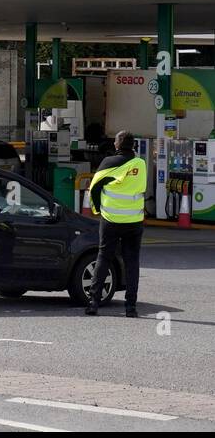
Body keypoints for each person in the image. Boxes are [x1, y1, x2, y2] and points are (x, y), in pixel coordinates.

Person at [85, 131, 146, 317]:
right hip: (134, 220)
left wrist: (97, 210)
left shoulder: (108, 163)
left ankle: (94, 303)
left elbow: (94, 187)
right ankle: (131, 307)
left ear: (117, 145)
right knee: (132, 261)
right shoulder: (140, 164)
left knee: (104, 257)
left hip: (111, 219)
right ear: (133, 145)